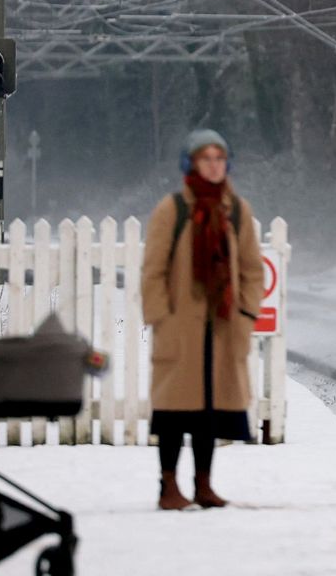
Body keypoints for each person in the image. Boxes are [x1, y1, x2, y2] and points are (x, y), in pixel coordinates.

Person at [141, 129, 264, 511]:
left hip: (223, 327)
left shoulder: (236, 210)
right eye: (205, 158)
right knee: (175, 414)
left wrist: (246, 313)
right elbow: (153, 271)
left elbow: (251, 270)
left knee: (209, 414)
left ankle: (204, 485)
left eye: (219, 158)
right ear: (190, 164)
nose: (213, 165)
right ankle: (168, 487)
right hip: (181, 329)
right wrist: (161, 317)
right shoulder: (172, 209)